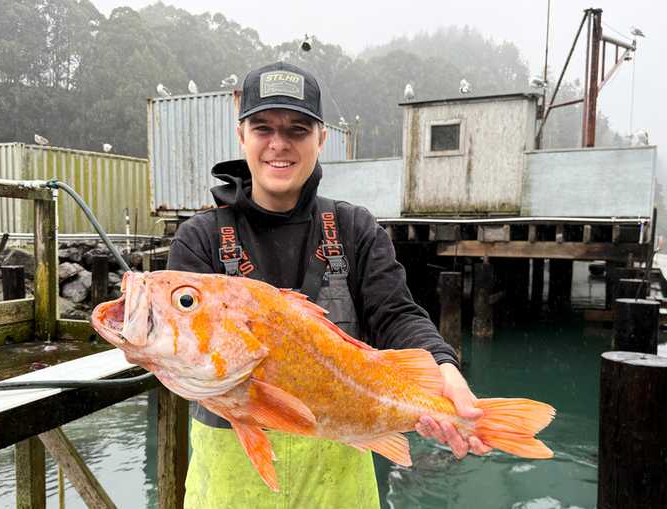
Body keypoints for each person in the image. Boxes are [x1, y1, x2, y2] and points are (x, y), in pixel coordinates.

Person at [167, 61, 488, 508]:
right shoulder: (199, 238)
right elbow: (183, 354)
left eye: (297, 130)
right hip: (230, 484)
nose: (279, 144)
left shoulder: (355, 229)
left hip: (340, 483)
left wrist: (442, 370)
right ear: (241, 135)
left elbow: (395, 315)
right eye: (263, 128)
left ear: (321, 138)